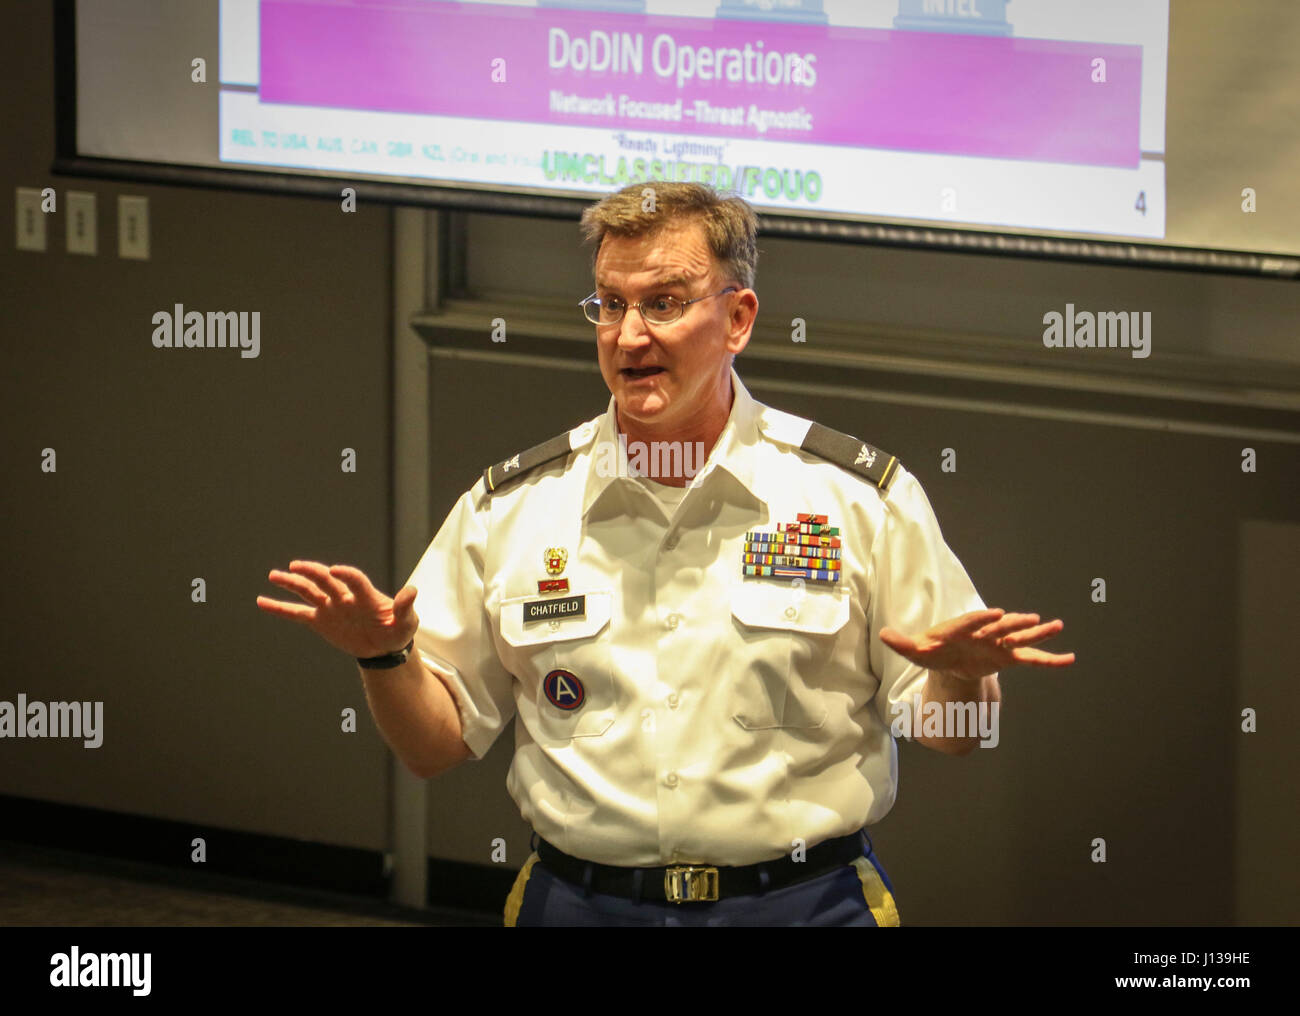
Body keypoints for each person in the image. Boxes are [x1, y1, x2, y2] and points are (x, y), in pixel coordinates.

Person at [256, 182, 1075, 926]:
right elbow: (433, 747)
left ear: (739, 318)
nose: (630, 335)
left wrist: (963, 676)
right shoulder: (512, 507)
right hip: (579, 905)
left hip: (802, 907)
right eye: (610, 306)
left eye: (665, 303)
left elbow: (958, 734)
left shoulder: (858, 498)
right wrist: (384, 657)